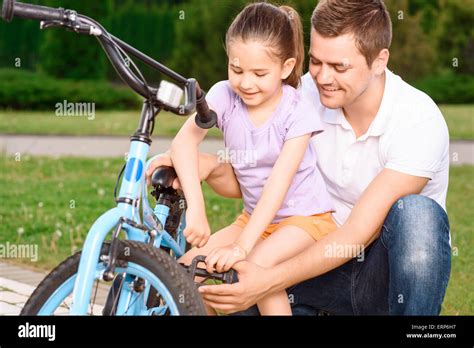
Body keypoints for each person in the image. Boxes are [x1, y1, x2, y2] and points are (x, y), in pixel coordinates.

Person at [147, 0, 451, 315]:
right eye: (317, 62)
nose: (322, 77)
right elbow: (259, 174)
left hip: (376, 276)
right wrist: (205, 165)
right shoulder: (300, 93)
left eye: (340, 66)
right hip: (305, 268)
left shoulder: (417, 119)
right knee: (207, 282)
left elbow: (357, 233)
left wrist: (264, 278)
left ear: (379, 60)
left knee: (418, 214)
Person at [167, 2, 338, 315]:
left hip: (304, 220)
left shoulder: (297, 112)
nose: (246, 83)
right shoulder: (223, 96)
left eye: (260, 73)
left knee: (254, 267)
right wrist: (197, 210)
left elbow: (277, 187)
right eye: (237, 69)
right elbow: (182, 145)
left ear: (286, 68)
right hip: (253, 219)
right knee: (182, 272)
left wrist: (241, 247)